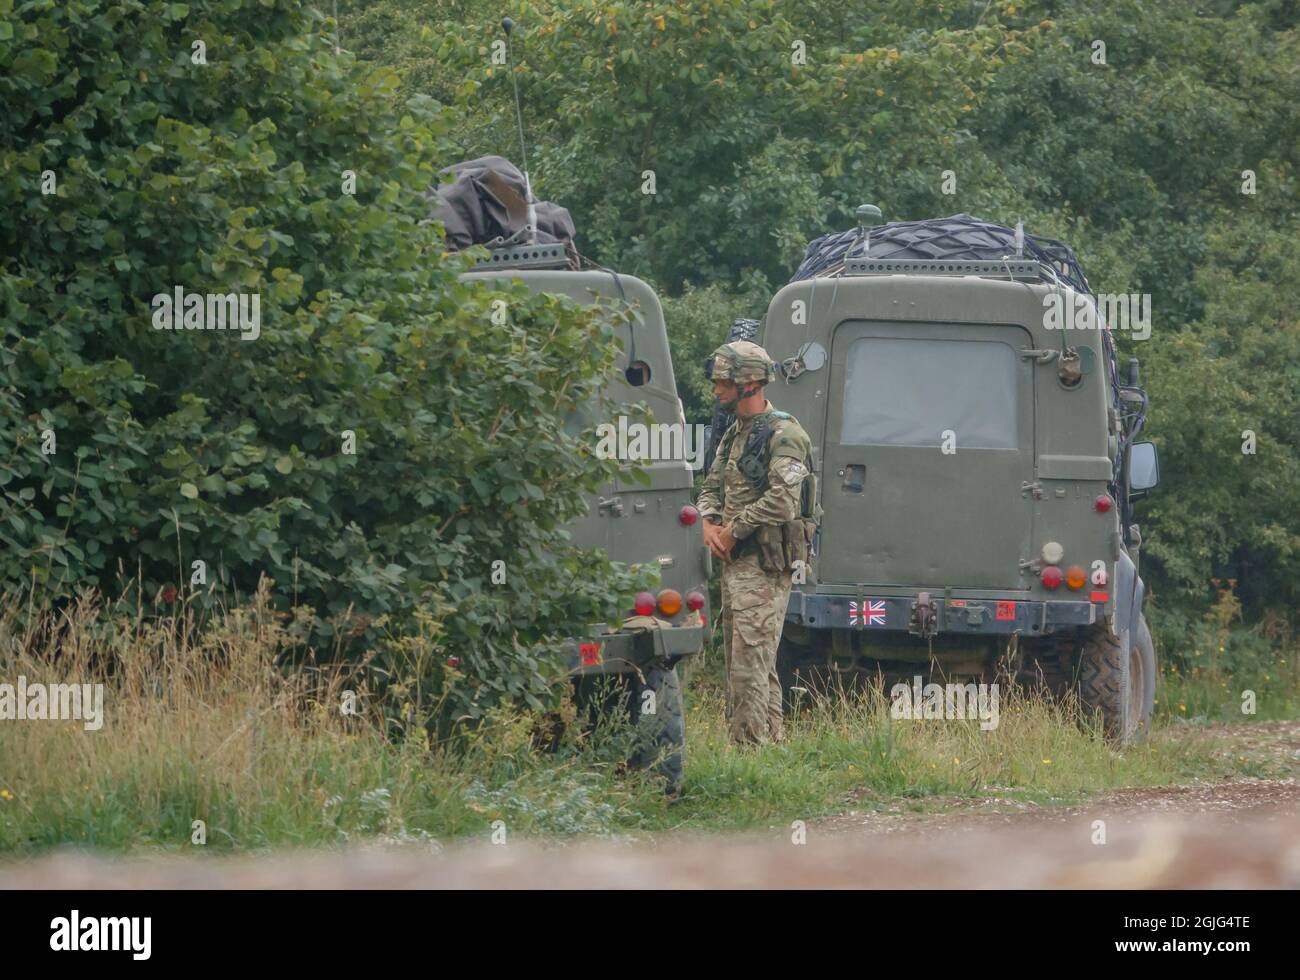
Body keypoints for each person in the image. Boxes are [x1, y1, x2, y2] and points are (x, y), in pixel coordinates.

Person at [696, 341, 817, 746]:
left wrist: (732, 531)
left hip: (764, 567)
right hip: (737, 565)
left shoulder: (786, 435)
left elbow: (784, 500)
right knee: (751, 664)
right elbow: (711, 485)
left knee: (750, 663)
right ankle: (771, 746)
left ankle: (747, 752)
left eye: (723, 382)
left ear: (749, 383)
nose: (717, 390)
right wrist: (709, 524)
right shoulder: (736, 432)